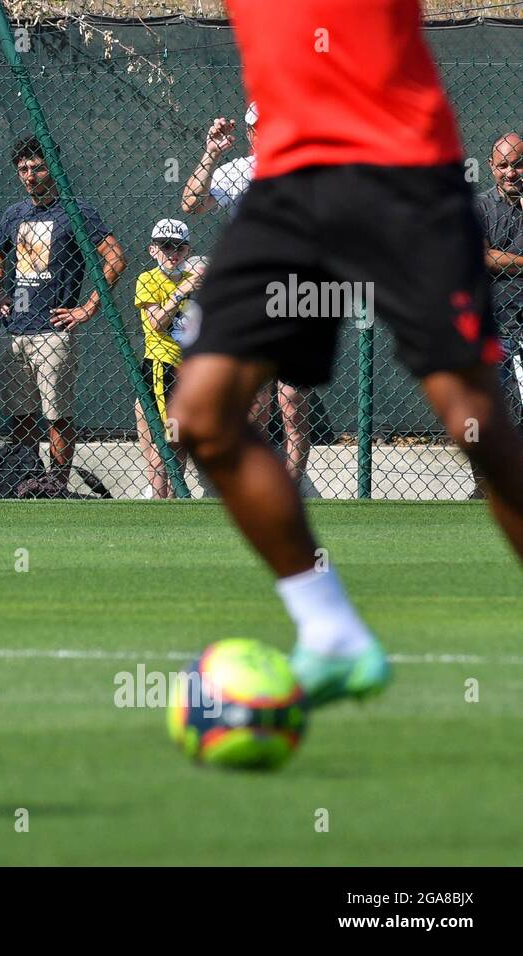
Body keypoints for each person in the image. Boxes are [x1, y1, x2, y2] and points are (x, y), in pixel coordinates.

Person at [170, 0, 523, 709]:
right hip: (289, 188)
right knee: (202, 414)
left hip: (404, 169)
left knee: (473, 421)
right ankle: (329, 631)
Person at [181, 104, 312, 485]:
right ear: (252, 134)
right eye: (260, 128)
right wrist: (211, 153)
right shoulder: (237, 171)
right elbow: (191, 205)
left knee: (293, 405)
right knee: (255, 404)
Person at [0, 135, 124, 495]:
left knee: (57, 418)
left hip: (53, 331)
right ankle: (24, 480)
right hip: (15, 330)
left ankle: (56, 487)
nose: (30, 175)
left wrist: (88, 307)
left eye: (38, 167)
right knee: (20, 417)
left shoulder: (76, 212)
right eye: (23, 169)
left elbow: (116, 258)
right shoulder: (13, 215)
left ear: (54, 168)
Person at [133, 219, 202, 499]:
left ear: (188, 250)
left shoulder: (198, 277)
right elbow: (157, 322)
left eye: (179, 247)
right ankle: (162, 498)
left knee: (176, 438)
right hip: (164, 366)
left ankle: (170, 496)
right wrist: (182, 291)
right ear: (153, 249)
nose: (172, 252)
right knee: (165, 438)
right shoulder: (148, 280)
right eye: (165, 246)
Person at [474, 132, 523, 428]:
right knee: (496, 419)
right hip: (496, 326)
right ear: (491, 166)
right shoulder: (478, 208)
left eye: (518, 165)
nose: (510, 172)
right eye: (503, 165)